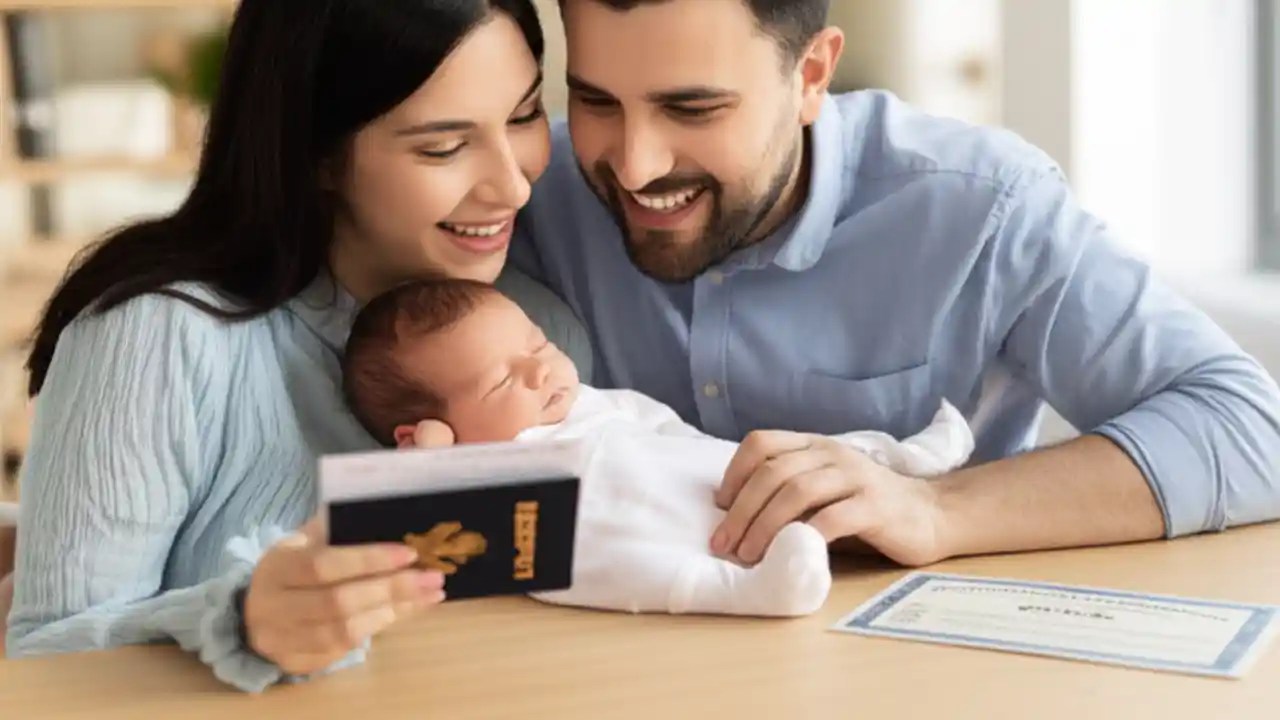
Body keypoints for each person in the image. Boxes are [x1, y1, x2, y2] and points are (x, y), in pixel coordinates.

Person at [513, 0, 1280, 569]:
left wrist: (931, 507)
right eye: (595, 101)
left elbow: (1250, 430)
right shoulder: (528, 197)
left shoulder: (982, 206)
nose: (635, 164)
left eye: (693, 108)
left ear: (811, 75)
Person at [3, 0, 593, 693]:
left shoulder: (542, 327)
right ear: (318, 155)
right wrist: (241, 623)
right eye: (443, 145)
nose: (513, 183)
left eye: (524, 115)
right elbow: (45, 657)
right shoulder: (158, 336)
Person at [340, 277, 974, 617]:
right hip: (616, 538)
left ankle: (898, 459)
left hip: (702, 475)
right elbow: (417, 540)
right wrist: (430, 457)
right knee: (604, 572)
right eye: (505, 379)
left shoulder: (589, 400)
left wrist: (709, 454)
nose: (542, 370)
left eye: (535, 345)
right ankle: (748, 595)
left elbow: (670, 431)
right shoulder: (486, 471)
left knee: (788, 457)